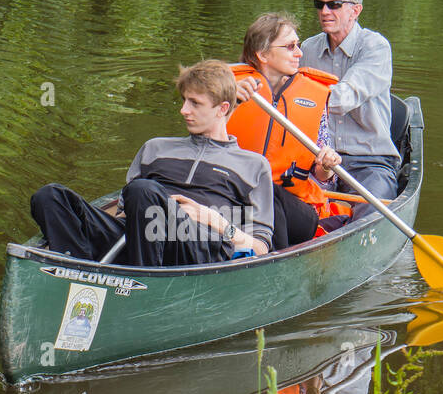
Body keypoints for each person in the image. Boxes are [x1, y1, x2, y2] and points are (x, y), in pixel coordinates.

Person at [30, 60, 274, 266]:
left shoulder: (253, 165)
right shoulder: (155, 148)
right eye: (184, 100)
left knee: (143, 190)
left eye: (195, 103)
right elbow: (124, 207)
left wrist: (216, 221)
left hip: (198, 245)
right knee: (50, 197)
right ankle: (76, 270)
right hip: (137, 233)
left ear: (222, 109)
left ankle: (141, 280)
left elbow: (261, 248)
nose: (183, 110)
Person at [228, 13, 345, 247]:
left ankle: (273, 262)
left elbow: (323, 180)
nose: (300, 53)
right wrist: (227, 98)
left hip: (294, 207)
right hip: (232, 199)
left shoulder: (313, 95)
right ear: (262, 54)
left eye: (298, 46)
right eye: (290, 47)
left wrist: (327, 167)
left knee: (266, 192)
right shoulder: (227, 89)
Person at [299, 0, 400, 215]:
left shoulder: (375, 46)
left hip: (369, 161)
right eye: (319, 4)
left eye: (334, 5)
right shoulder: (307, 48)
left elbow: (346, 96)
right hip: (319, 160)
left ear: (355, 10)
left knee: (369, 212)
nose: (324, 11)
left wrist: (299, 100)